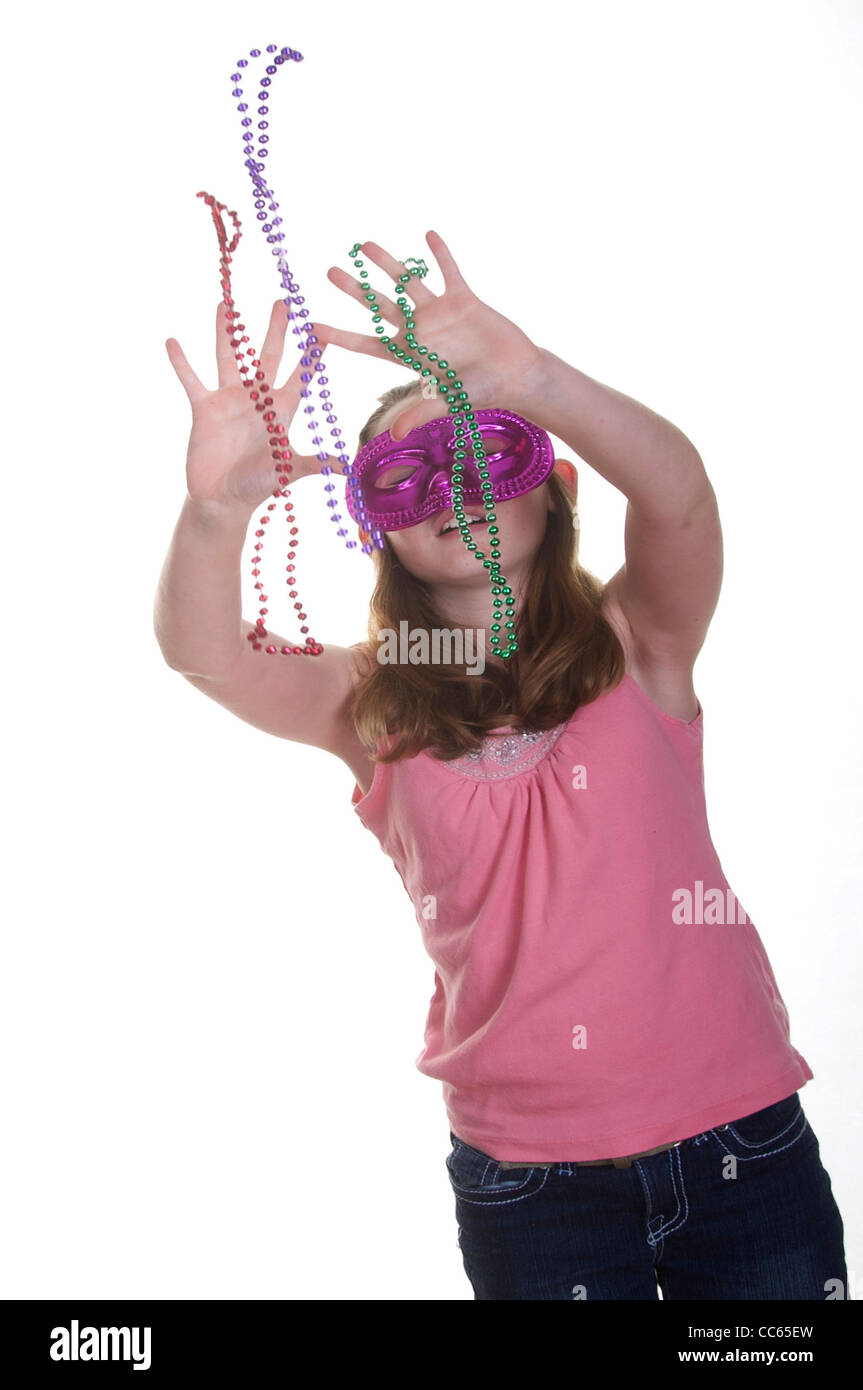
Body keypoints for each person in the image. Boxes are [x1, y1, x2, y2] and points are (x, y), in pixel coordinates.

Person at [156, 231, 847, 1301]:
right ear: (377, 524)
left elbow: (680, 500)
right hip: (533, 1185)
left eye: (487, 448)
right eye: (411, 470)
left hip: (736, 1145)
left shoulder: (638, 641)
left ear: (553, 481)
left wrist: (536, 380)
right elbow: (205, 655)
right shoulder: (367, 699)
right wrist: (216, 510)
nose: (456, 483)